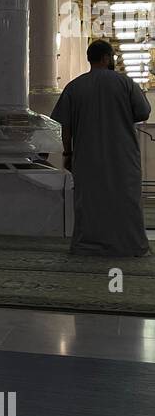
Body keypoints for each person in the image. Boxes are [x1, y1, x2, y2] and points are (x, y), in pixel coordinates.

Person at [51, 39, 151, 257]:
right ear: (107, 58)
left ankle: (89, 245)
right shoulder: (126, 83)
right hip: (123, 157)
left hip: (87, 159)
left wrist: (67, 154)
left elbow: (63, 126)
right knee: (125, 200)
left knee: (90, 202)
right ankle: (131, 246)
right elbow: (143, 113)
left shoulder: (74, 87)